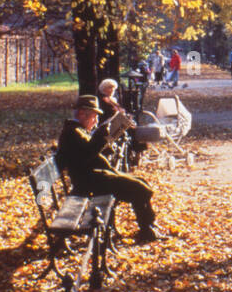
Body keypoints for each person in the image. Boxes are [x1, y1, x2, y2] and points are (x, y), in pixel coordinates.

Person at [57, 95, 163, 243]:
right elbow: (88, 154)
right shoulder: (73, 132)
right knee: (139, 188)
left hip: (92, 176)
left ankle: (149, 225)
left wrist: (104, 140)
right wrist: (101, 137)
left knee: (141, 182)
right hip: (88, 181)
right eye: (94, 117)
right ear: (82, 114)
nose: (95, 122)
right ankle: (147, 229)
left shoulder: (76, 130)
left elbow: (88, 152)